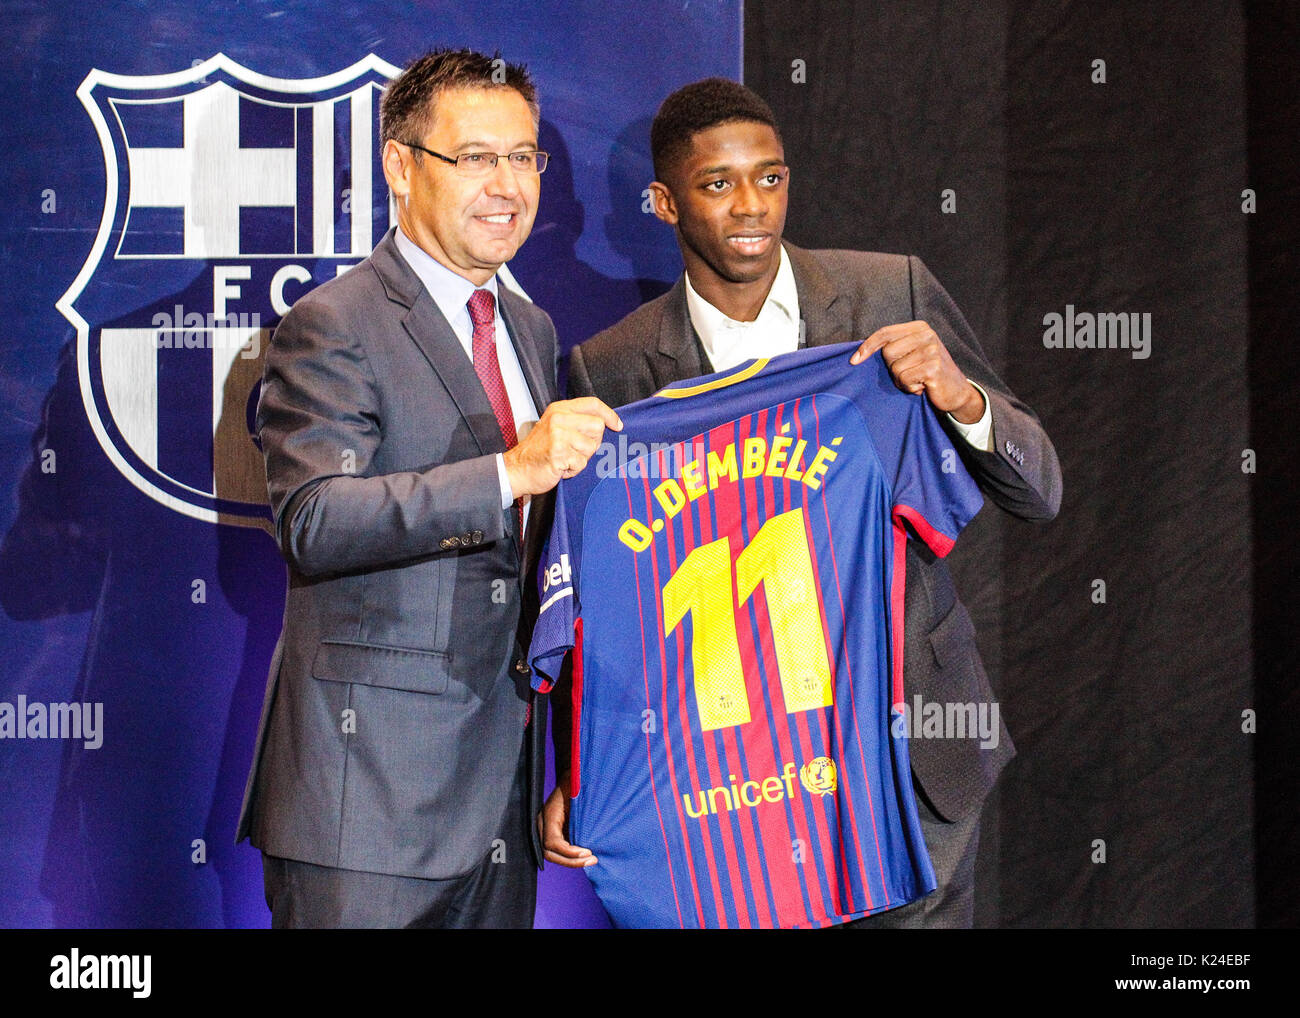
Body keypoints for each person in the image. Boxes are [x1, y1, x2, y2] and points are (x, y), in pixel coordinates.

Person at [541, 77, 1061, 928]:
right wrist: (581, 768)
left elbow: (1039, 489)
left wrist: (961, 399)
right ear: (665, 203)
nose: (752, 207)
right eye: (718, 184)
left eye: (771, 178)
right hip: (729, 790)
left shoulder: (889, 296)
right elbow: (603, 599)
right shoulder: (613, 366)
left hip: (900, 764)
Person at [236, 48, 620, 929]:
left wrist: (574, 761)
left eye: (523, 157)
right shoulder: (331, 322)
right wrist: (510, 471)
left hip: (502, 805)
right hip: (365, 809)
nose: (508, 185)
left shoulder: (527, 324)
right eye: (476, 157)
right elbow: (316, 519)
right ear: (401, 167)